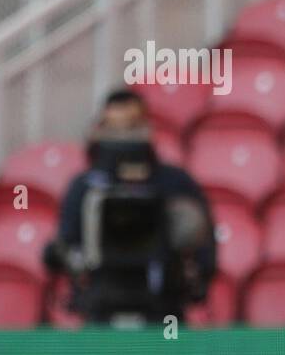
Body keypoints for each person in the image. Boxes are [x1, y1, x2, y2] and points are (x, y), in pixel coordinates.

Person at [45, 89, 216, 325]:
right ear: (102, 128)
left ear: (146, 126)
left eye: (131, 126)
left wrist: (194, 276)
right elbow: (65, 245)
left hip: (164, 307)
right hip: (100, 304)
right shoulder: (85, 187)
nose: (124, 137)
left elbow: (203, 246)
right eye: (115, 127)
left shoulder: (175, 182)